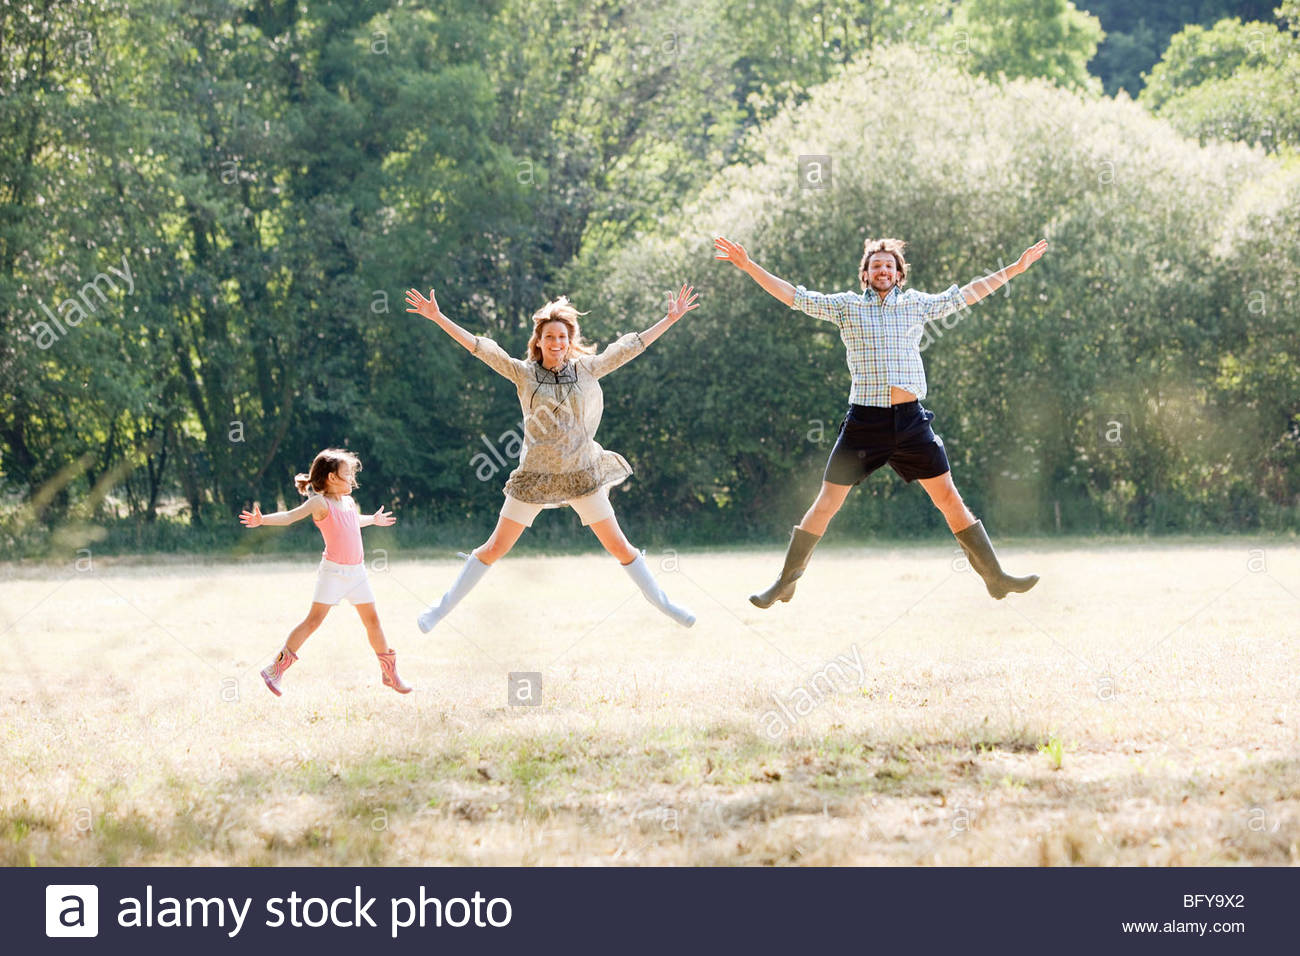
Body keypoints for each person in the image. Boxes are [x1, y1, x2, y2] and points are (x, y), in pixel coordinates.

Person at [713, 234, 1048, 607]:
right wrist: (747, 265)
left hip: (911, 423)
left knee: (950, 499)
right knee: (826, 503)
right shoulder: (847, 307)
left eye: (889, 265)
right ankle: (786, 581)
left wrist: (1015, 269)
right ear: (865, 274)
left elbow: (967, 294)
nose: (883, 270)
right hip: (864, 424)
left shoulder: (917, 305)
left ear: (899, 274)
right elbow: (795, 296)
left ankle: (995, 577)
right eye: (876, 265)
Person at [404, 284, 699, 631]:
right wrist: (438, 317)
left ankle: (666, 605)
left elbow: (629, 348)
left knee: (621, 547)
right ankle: (437, 612)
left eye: (562, 337)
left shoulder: (588, 369)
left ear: (569, 340)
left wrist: (669, 319)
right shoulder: (524, 374)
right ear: (539, 341)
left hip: (582, 475)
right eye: (549, 337)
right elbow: (480, 348)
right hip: (534, 477)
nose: (556, 343)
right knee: (493, 548)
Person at [239, 448, 411, 695]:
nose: (352, 479)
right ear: (332, 477)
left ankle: (389, 674)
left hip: (357, 573)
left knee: (373, 621)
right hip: (333, 572)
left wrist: (372, 519)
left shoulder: (349, 502)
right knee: (313, 621)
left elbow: (351, 521)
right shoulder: (320, 502)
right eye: (347, 474)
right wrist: (261, 519)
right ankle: (274, 670)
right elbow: (289, 516)